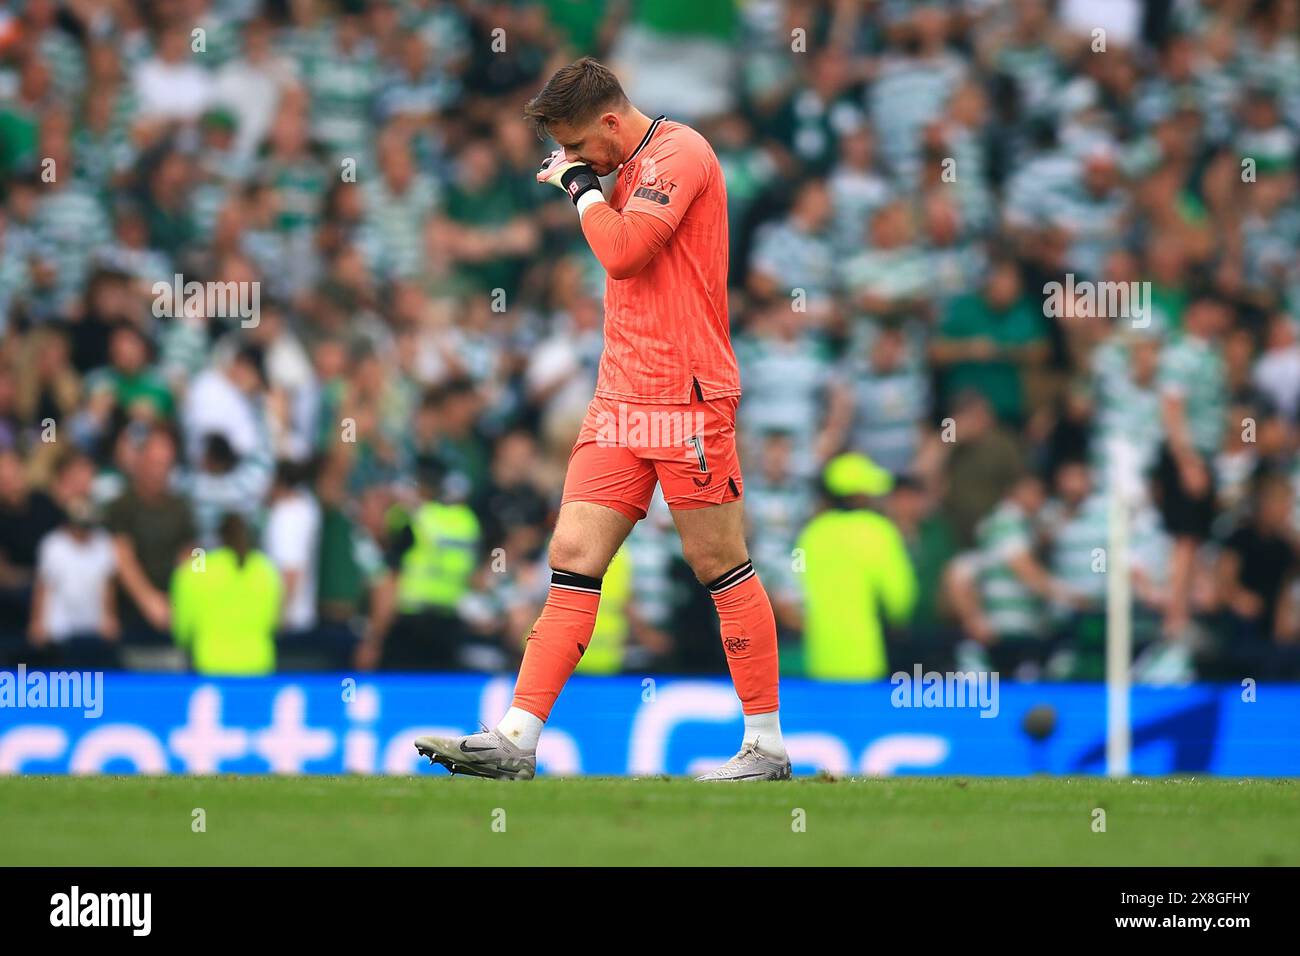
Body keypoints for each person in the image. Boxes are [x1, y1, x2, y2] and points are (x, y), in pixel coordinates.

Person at [415, 58, 789, 781]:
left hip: (686, 398)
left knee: (719, 565)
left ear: (613, 122)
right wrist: (589, 179)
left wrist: (582, 188)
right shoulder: (623, 166)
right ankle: (517, 738)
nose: (574, 162)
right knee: (573, 562)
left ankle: (766, 747)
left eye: (581, 146)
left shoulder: (680, 153)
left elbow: (623, 254)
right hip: (619, 400)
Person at [795, 453, 918, 680]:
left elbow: (795, 593)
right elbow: (900, 600)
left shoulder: (811, 534)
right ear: (860, 495)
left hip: (818, 659)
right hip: (867, 658)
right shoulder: (879, 531)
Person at [170, 513, 280, 676]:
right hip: (259, 665)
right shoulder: (265, 569)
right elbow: (274, 622)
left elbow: (182, 631)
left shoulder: (195, 570)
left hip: (208, 665)